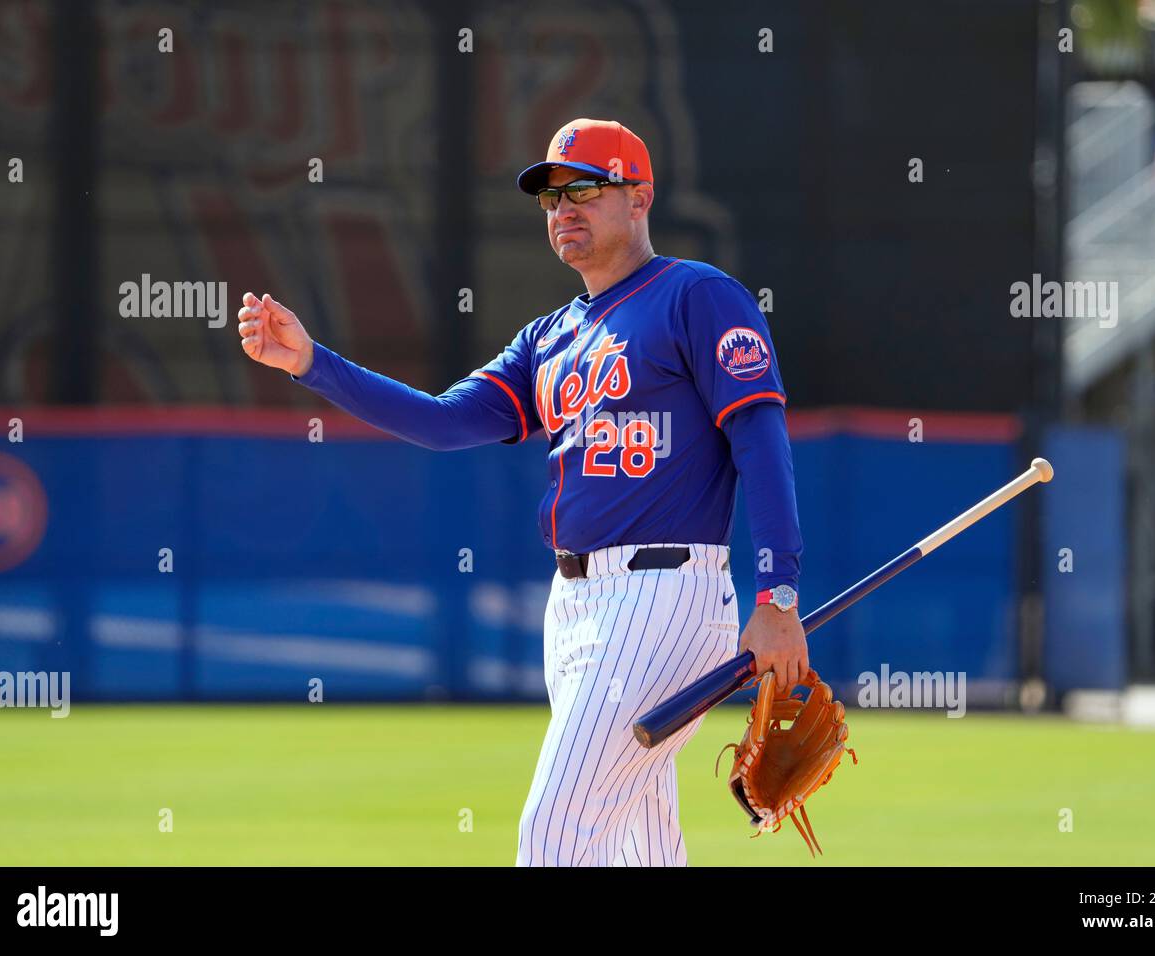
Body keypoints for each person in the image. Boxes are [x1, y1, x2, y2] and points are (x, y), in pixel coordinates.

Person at [236, 118, 805, 866]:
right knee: (637, 844)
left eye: (583, 190)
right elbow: (443, 423)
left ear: (639, 197)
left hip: (662, 596)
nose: (562, 208)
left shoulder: (696, 297)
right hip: (573, 607)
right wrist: (314, 363)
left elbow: (760, 443)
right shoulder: (547, 339)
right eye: (549, 197)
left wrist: (778, 598)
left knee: (555, 831)